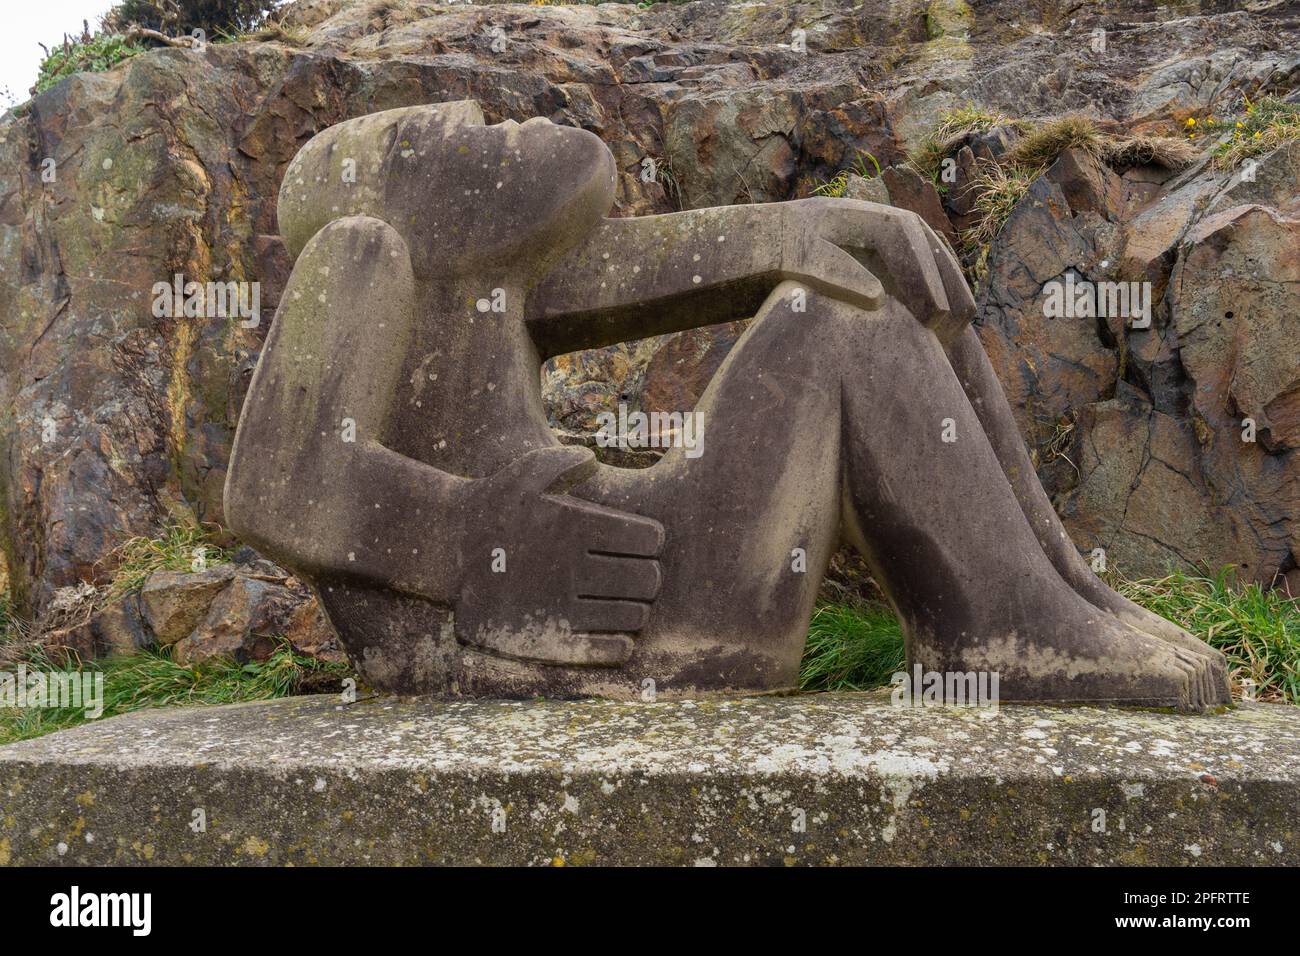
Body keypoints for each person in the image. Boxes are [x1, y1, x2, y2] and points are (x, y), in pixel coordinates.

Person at [225, 102, 1228, 709]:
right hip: (601, 613)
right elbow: (275, 483)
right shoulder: (362, 254)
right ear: (402, 192)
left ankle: (1060, 597)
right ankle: (1004, 631)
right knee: (842, 323)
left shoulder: (496, 278)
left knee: (874, 280)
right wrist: (477, 541)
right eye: (471, 131)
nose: (513, 125)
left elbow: (708, 251)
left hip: (630, 587)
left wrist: (828, 223)